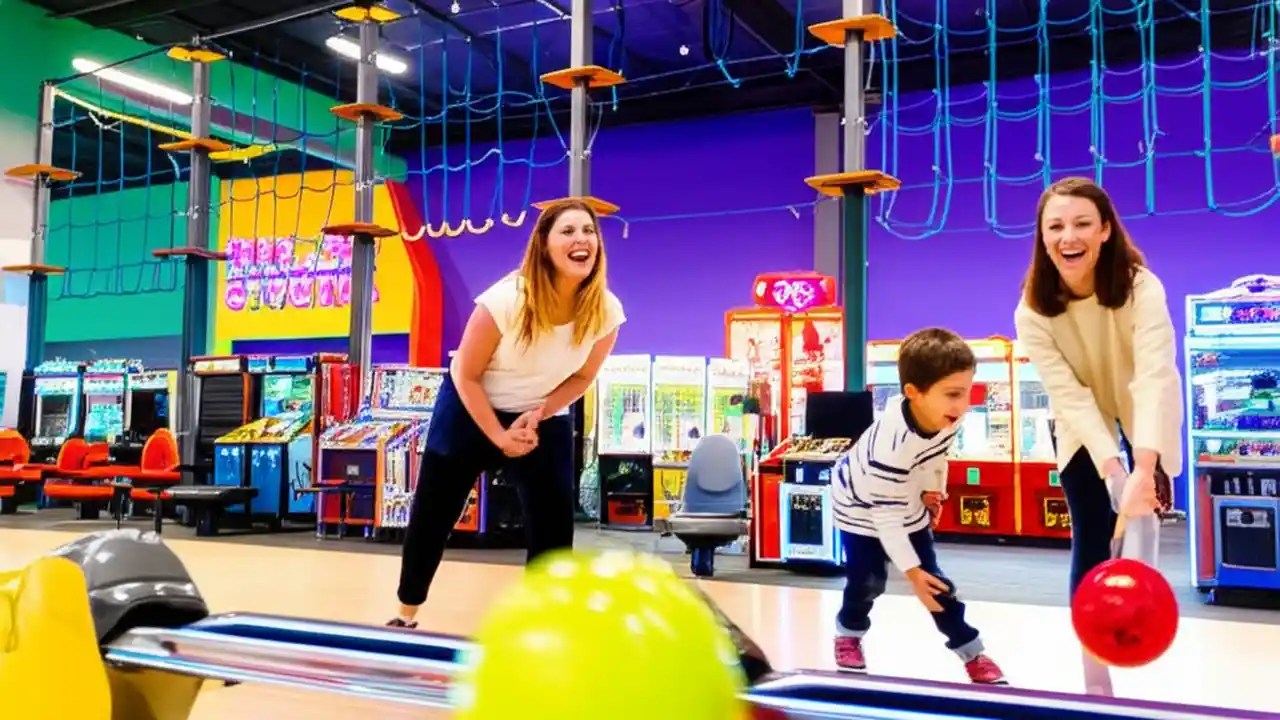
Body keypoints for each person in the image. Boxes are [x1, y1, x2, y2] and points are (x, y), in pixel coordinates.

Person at [388, 199, 625, 628]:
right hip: (469, 404)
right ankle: (406, 612)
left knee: (554, 526)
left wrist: (537, 415)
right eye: (567, 231)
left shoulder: (605, 311)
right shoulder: (507, 300)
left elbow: (582, 378)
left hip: (540, 415)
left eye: (588, 231)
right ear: (545, 244)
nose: (581, 240)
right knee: (434, 514)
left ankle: (547, 625)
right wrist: (498, 436)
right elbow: (466, 373)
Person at [1013, 177, 1180, 596]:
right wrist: (1113, 470)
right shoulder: (1032, 311)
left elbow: (1152, 374)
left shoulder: (1141, 287)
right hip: (1079, 417)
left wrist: (1143, 468)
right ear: (1042, 236)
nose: (1068, 237)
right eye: (1055, 227)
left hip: (1143, 404)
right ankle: (1093, 653)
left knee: (1143, 517)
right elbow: (1070, 396)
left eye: (1082, 224)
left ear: (1105, 230)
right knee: (1091, 530)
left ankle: (1137, 621)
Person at [830, 327, 1006, 684]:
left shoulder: (948, 417)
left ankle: (971, 650)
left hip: (901, 499)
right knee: (868, 580)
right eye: (953, 394)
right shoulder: (890, 444)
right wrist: (911, 573)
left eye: (967, 392)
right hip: (858, 507)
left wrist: (931, 492)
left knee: (936, 581)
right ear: (913, 393)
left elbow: (935, 457)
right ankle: (848, 632)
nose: (964, 404)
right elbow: (886, 518)